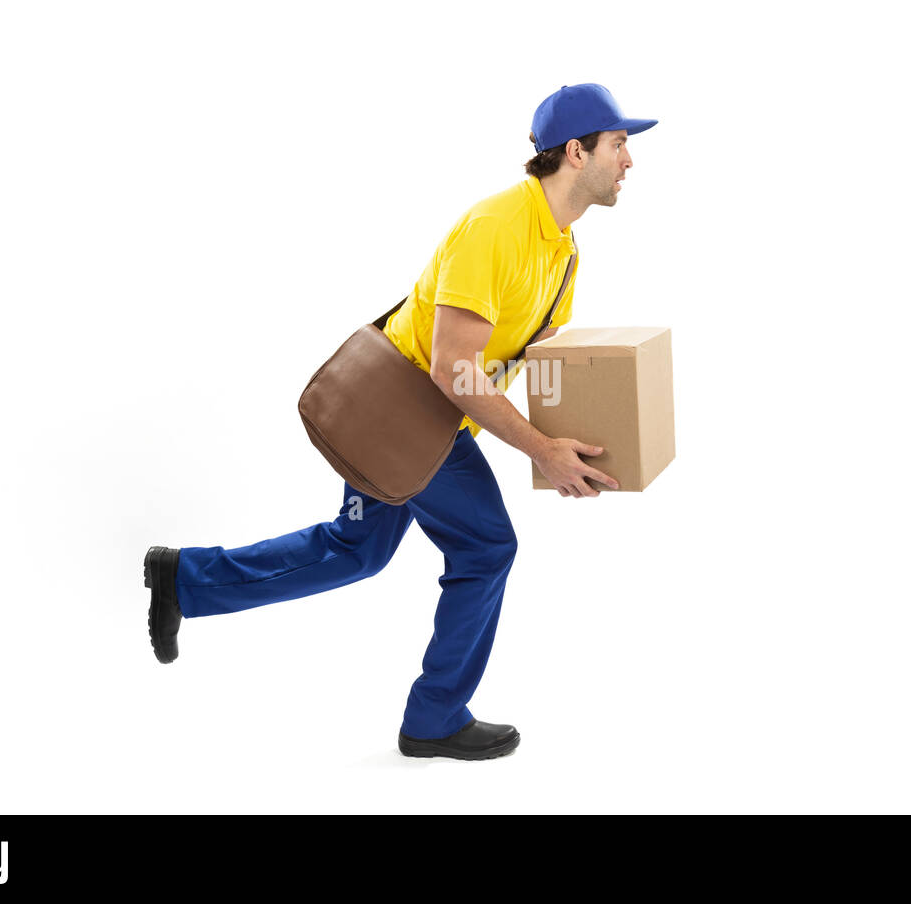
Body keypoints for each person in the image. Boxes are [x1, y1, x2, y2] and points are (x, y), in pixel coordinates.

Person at [144, 83, 657, 760]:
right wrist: (542, 450)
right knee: (486, 548)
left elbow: (532, 356)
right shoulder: (497, 228)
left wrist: (588, 424)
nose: (629, 160)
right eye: (619, 144)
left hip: (430, 422)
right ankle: (435, 718)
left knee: (354, 549)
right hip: (411, 412)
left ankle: (182, 578)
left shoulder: (562, 250)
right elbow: (452, 369)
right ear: (575, 151)